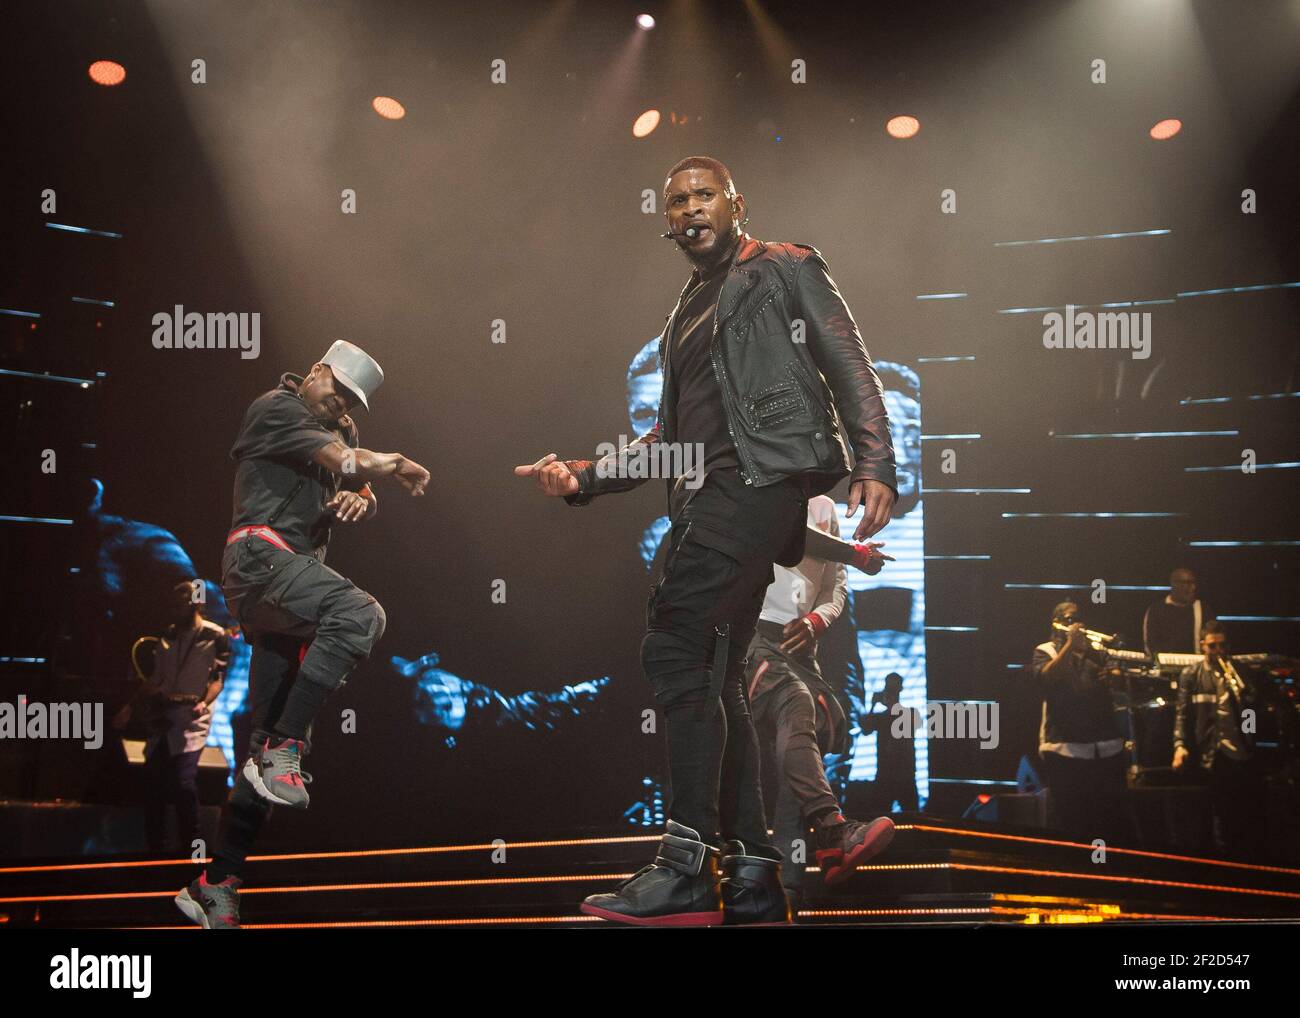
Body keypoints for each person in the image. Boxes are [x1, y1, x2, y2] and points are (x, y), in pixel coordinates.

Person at [516, 155, 897, 926]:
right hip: (708, 502)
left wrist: (875, 461)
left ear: (734, 203)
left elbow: (844, 355)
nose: (690, 208)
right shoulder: (683, 316)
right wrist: (583, 477)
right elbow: (668, 440)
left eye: (703, 194)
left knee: (675, 646)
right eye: (676, 200)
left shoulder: (783, 268)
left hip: (758, 490)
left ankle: (685, 864)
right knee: (715, 678)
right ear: (666, 221)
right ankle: (753, 875)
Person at [175, 340, 431, 929]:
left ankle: (215, 883)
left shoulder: (336, 428)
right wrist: (386, 466)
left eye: (348, 401)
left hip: (282, 595)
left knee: (265, 752)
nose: (338, 406)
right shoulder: (277, 407)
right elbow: (348, 460)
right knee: (360, 614)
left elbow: (349, 476)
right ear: (314, 372)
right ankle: (282, 751)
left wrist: (360, 498)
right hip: (262, 563)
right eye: (334, 391)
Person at [747, 495, 894, 907]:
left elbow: (835, 584)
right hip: (749, 635)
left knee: (811, 741)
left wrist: (817, 619)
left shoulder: (825, 506)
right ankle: (833, 832)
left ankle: (790, 886)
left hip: (799, 648)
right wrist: (858, 551)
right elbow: (791, 535)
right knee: (796, 705)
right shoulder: (759, 482)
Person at [113, 580, 229, 853]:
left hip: (191, 717)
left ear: (196, 605)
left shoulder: (215, 635)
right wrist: (130, 707)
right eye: (173, 605)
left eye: (181, 605)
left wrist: (203, 703)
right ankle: (157, 848)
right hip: (163, 714)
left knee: (182, 781)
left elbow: (217, 679)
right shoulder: (169, 635)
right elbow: (156, 678)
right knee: (152, 782)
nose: (175, 610)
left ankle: (193, 846)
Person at [1031, 601, 1133, 844]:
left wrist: (1116, 679)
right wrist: (1070, 646)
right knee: (1072, 824)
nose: (1075, 624)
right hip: (1066, 751)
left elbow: (1121, 691)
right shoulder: (1046, 650)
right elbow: (1047, 678)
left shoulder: (1097, 652)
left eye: (1078, 619)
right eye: (1068, 619)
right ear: (1056, 623)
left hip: (1105, 748)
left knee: (1111, 822)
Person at [1173, 621, 1266, 859]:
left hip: (1241, 752)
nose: (1218, 651)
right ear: (1203, 646)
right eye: (1212, 646)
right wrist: (1180, 745)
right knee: (1216, 813)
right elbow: (1183, 714)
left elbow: (1253, 714)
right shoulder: (1191, 675)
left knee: (1245, 813)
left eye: (1222, 646)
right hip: (1211, 753)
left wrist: (1249, 729)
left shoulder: (1241, 672)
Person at [1144, 567, 1213, 657]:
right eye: (1187, 583)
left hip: (1197, 667)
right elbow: (1151, 643)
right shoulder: (1156, 610)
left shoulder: (1203, 609)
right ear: (1174, 584)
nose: (1193, 588)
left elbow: (1214, 640)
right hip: (1166, 666)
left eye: (1193, 583)